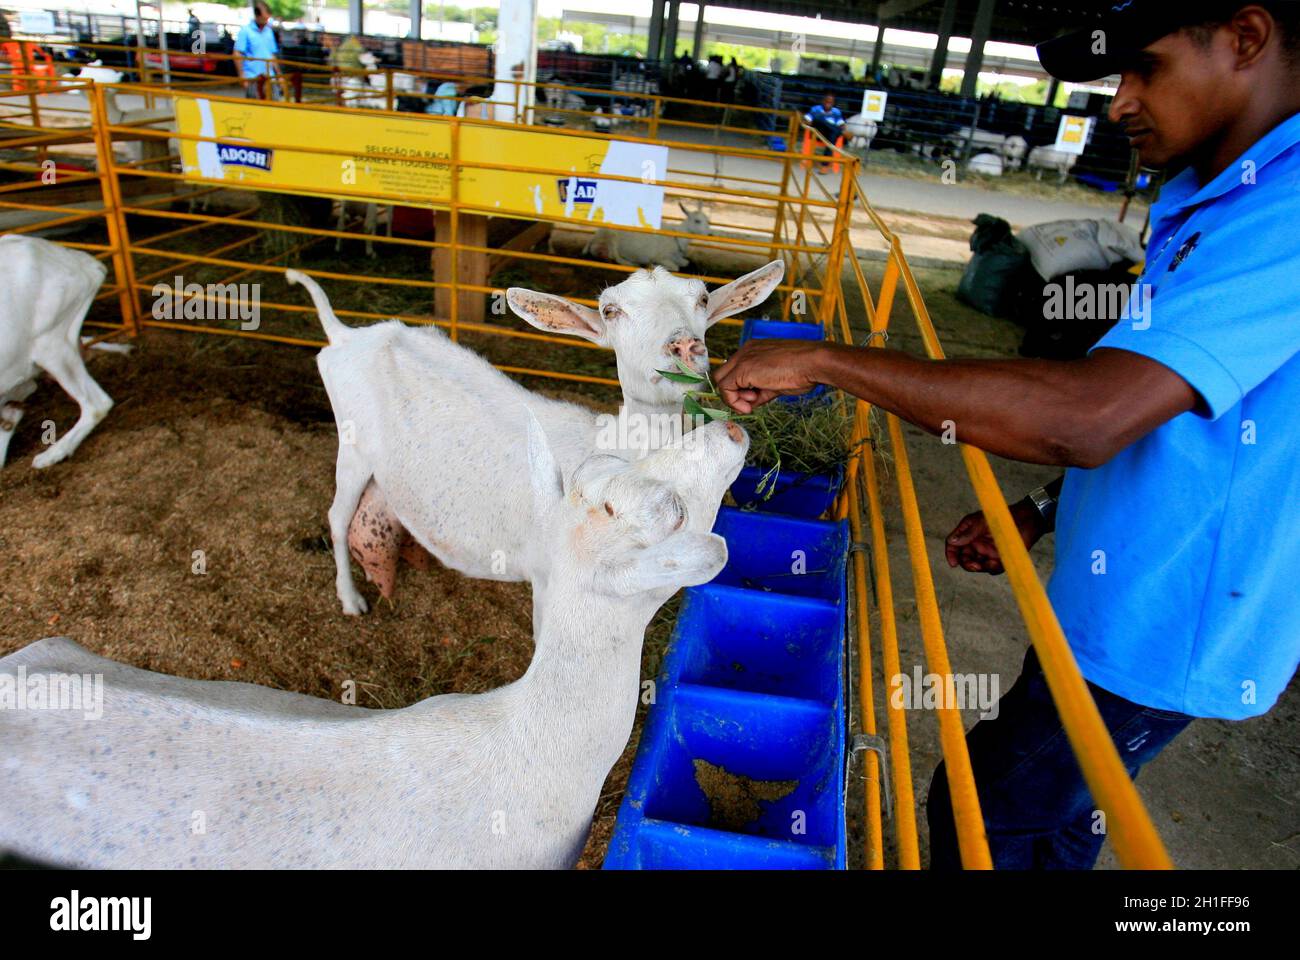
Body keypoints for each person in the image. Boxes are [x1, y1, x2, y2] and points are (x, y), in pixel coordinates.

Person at [714, 0, 1300, 870]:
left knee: (984, 813)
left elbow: (1089, 416)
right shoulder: (1217, 198)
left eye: (1145, 68)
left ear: (1246, 39)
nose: (1119, 103)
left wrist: (830, 362)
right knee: (1060, 820)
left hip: (1161, 630)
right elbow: (1181, 408)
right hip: (1118, 595)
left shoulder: (1281, 213)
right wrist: (1043, 508)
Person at [233, 0, 280, 100]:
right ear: (257, 16)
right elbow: (237, 53)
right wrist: (242, 75)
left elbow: (272, 55)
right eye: (264, 18)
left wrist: (279, 75)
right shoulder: (245, 31)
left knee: (275, 105)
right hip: (253, 77)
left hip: (269, 77)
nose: (266, 21)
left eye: (267, 18)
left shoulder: (269, 31)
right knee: (256, 107)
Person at [804, 94, 845, 166]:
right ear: (823, 101)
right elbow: (807, 120)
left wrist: (841, 128)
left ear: (833, 103)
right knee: (819, 119)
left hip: (829, 135)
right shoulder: (815, 109)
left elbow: (841, 124)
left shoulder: (836, 112)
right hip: (817, 133)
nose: (828, 104)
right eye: (826, 101)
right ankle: (825, 165)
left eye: (830, 102)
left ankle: (825, 164)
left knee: (833, 135)